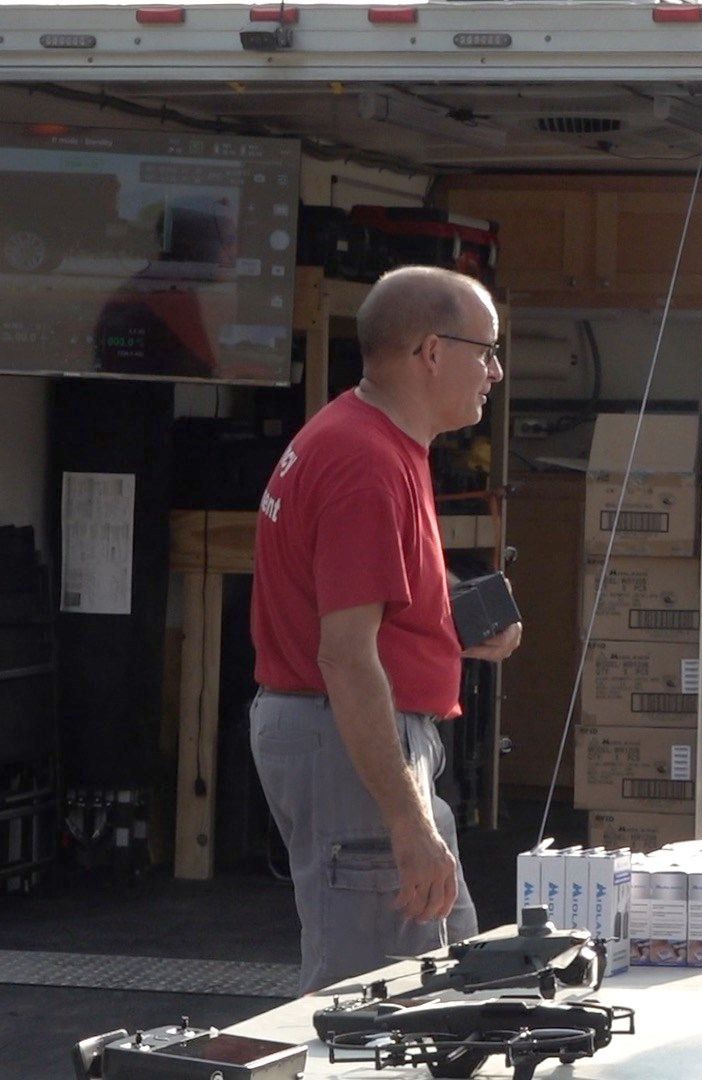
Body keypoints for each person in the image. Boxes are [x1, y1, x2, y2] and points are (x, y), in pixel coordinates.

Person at [248, 265, 521, 994]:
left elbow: (367, 601)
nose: (494, 371)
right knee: (378, 1007)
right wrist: (407, 822)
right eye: (487, 350)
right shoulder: (366, 462)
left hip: (351, 739)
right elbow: (345, 658)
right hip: (353, 742)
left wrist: (449, 623)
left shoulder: (370, 438)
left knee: (444, 978)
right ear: (433, 352)